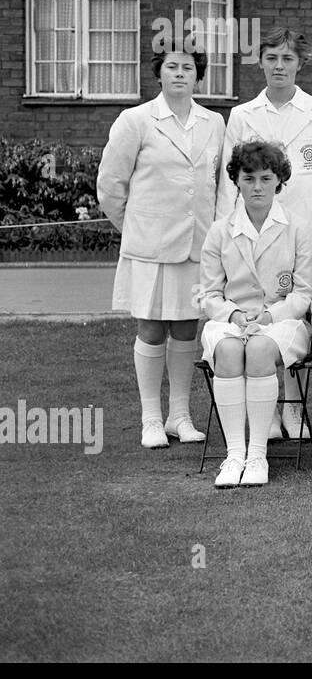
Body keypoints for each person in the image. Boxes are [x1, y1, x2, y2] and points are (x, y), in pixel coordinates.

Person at [97, 34, 225, 449]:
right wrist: (136, 227)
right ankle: (150, 418)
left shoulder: (214, 123)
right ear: (159, 73)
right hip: (150, 249)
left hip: (196, 246)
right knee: (152, 330)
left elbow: (216, 184)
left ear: (198, 76)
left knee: (187, 329)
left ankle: (179, 416)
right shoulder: (135, 120)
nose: (180, 74)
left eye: (188, 67)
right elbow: (110, 186)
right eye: (172, 66)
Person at [217, 26, 312, 440]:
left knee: (297, 316)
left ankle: (293, 407)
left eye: (287, 59)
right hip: (256, 234)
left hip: (307, 231)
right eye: (271, 58)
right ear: (261, 62)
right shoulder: (243, 115)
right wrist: (228, 233)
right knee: (261, 318)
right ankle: (265, 411)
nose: (279, 66)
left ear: (300, 63)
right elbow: (229, 184)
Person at [200, 141, 312, 488]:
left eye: (266, 179)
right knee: (229, 350)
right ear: (236, 180)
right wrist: (234, 315)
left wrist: (268, 318)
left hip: (283, 322)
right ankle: (235, 453)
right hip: (230, 322)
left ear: (279, 180)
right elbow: (209, 295)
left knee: (260, 349)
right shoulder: (220, 231)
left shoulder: (298, 228)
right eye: (248, 179)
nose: (257, 187)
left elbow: (303, 293)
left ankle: (258, 454)